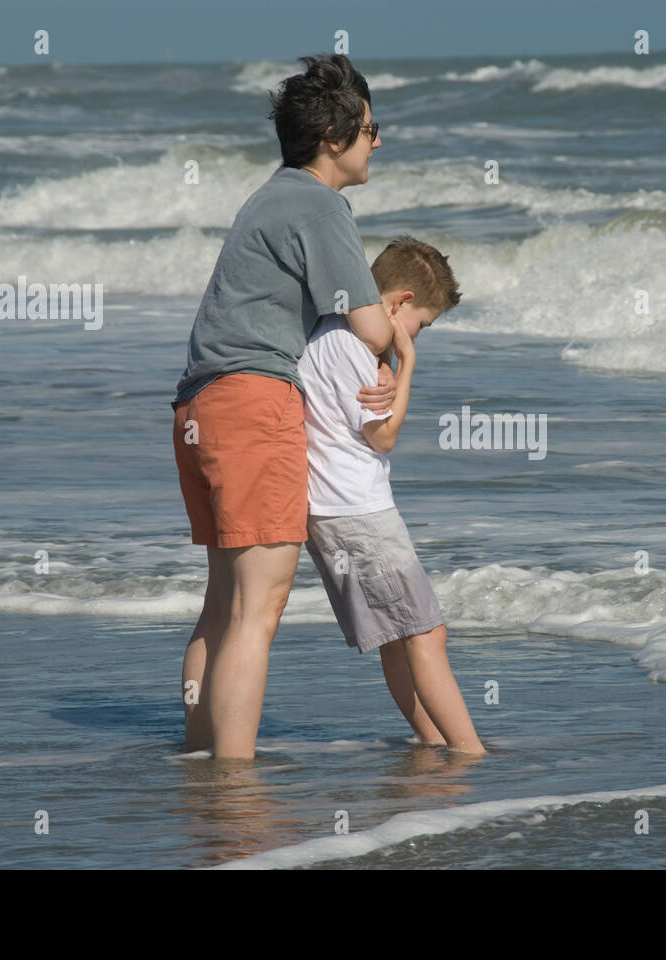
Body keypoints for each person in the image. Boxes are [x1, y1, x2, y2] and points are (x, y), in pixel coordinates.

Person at [172, 53, 394, 759]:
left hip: (198, 404)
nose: (377, 141)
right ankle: (233, 783)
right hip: (253, 403)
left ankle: (202, 761)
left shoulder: (268, 196)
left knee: (221, 604)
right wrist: (401, 351)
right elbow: (372, 325)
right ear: (334, 135)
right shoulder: (319, 203)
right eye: (370, 128)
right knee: (257, 611)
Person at [299, 237, 486, 754]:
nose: (418, 335)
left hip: (331, 511)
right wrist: (407, 365)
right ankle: (470, 753)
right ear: (399, 303)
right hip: (358, 511)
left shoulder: (328, 333)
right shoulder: (355, 347)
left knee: (398, 639)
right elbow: (382, 435)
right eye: (421, 324)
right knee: (427, 634)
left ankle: (432, 742)